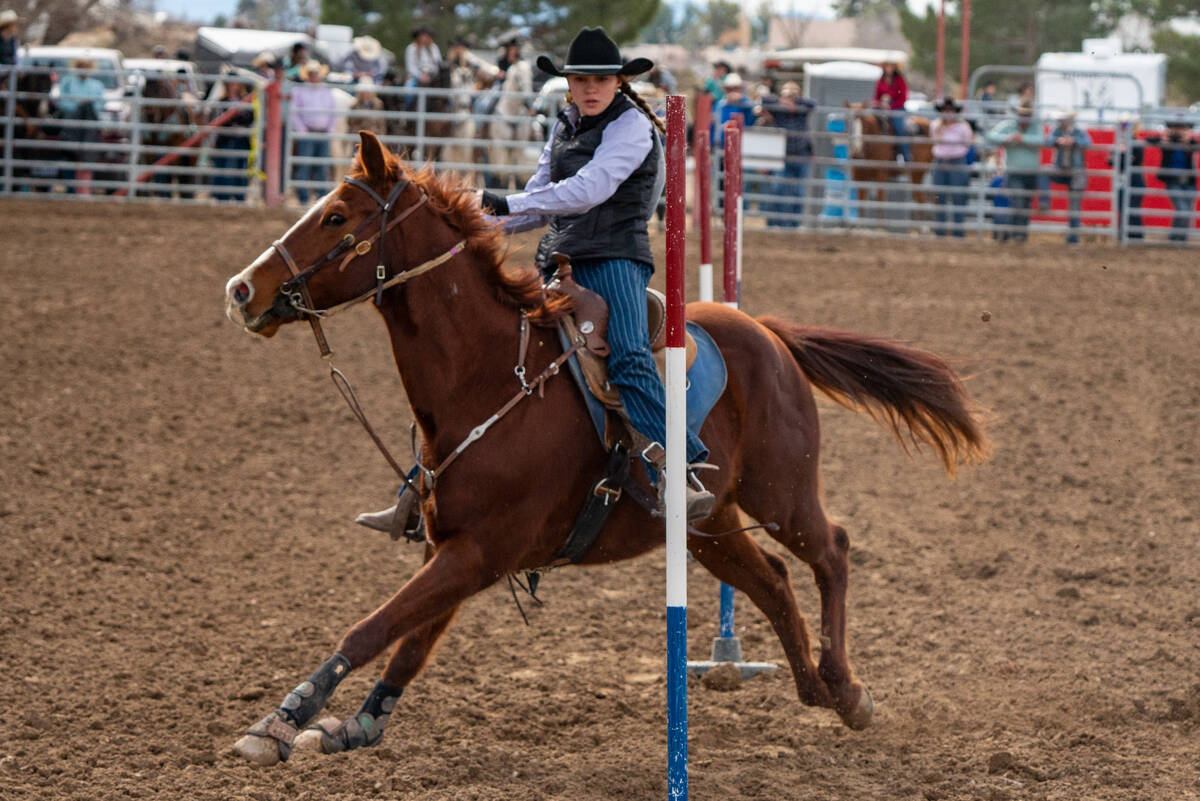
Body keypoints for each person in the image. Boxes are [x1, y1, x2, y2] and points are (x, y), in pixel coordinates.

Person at [356, 27, 715, 533]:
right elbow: (538, 198)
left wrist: (507, 203)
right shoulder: (565, 126)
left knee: (630, 352)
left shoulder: (632, 128)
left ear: (618, 83)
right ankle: (421, 488)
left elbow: (588, 190)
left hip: (614, 260)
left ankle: (678, 470)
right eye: (580, 80)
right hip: (557, 260)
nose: (590, 88)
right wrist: (468, 223)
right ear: (568, 83)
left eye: (600, 80)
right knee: (484, 351)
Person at [757, 81, 815, 228]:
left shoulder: (802, 108)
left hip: (801, 154)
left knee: (799, 192)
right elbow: (763, 100)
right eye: (787, 96)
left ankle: (793, 225)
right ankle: (776, 223)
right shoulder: (778, 109)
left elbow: (813, 103)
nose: (789, 99)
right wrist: (780, 101)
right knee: (778, 190)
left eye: (793, 96)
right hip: (782, 155)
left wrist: (795, 104)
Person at [985, 105, 1045, 242]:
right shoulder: (1009, 126)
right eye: (1022, 114)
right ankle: (1014, 232)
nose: (1024, 118)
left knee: (1025, 204)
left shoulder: (1035, 127)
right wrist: (1008, 137)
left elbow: (1041, 140)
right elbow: (991, 135)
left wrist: (1022, 138)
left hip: (1031, 173)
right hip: (1013, 172)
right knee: (1018, 202)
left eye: (1027, 115)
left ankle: (1020, 235)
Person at [288, 61, 336, 205]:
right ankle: (304, 198)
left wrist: (329, 130)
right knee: (304, 166)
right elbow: (294, 112)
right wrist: (302, 130)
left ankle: (321, 198)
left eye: (316, 73)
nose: (314, 76)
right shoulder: (300, 90)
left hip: (323, 132)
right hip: (307, 133)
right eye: (311, 73)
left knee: (322, 167)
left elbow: (334, 113)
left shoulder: (326, 91)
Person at [489, 36, 533, 190]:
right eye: (512, 46)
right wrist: (499, 74)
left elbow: (525, 82)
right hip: (503, 87)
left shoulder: (523, 63)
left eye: (516, 47)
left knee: (533, 115)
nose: (514, 49)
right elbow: (497, 73)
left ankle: (535, 132)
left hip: (518, 94)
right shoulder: (502, 60)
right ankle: (480, 128)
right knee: (487, 102)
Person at [56, 57, 106, 193]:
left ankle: (84, 189)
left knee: (88, 156)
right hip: (71, 124)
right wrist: (78, 108)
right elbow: (62, 103)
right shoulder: (68, 82)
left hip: (89, 126)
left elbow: (100, 104)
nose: (84, 69)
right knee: (69, 155)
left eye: (86, 66)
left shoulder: (96, 85)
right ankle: (71, 188)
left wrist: (85, 107)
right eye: (81, 66)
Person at [1146, 120, 1198, 243]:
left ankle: (1180, 239)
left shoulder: (1190, 143)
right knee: (1182, 209)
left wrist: (1187, 140)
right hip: (1173, 181)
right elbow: (1149, 140)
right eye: (1177, 129)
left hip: (1188, 182)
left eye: (1183, 129)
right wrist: (1166, 139)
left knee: (1187, 211)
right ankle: (1175, 238)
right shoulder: (1167, 142)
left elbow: (1196, 146)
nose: (1180, 132)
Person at [929, 97, 974, 237]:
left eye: (950, 110)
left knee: (958, 197)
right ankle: (940, 231)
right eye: (945, 110)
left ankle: (958, 232)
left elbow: (968, 143)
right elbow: (934, 141)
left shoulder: (963, 126)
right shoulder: (936, 125)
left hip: (957, 161)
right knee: (939, 197)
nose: (948, 113)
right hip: (940, 162)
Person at [1048, 108, 1091, 243]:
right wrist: (1058, 141)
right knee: (1043, 173)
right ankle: (1044, 200)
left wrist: (1074, 141)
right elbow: (1048, 140)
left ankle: (1073, 238)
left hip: (1076, 173)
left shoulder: (1078, 132)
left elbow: (1088, 142)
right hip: (1061, 170)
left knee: (1074, 206)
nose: (1060, 122)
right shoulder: (1057, 131)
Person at [211, 75, 255, 202]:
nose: (232, 86)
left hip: (242, 139)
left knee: (241, 168)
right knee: (225, 169)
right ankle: (223, 197)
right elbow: (217, 122)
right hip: (226, 139)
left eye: (234, 83)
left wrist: (236, 121)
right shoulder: (221, 101)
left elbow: (251, 119)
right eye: (230, 83)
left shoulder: (246, 101)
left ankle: (239, 196)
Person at [1108, 113, 1144, 240]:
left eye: (1127, 124)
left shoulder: (1136, 143)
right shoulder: (1119, 142)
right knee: (1121, 207)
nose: (1124, 127)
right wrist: (1122, 155)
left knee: (1133, 208)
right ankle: (1123, 234)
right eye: (1122, 124)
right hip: (1122, 179)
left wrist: (1122, 155)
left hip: (1134, 179)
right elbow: (1110, 161)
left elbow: (1135, 161)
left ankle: (1135, 236)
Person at [873, 60, 910, 162]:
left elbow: (903, 98)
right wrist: (879, 104)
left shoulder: (899, 80)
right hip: (882, 107)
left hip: (897, 107)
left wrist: (891, 107)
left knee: (899, 128)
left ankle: (905, 157)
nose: (888, 68)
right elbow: (876, 97)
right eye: (886, 66)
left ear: (894, 68)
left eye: (890, 66)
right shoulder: (881, 80)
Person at [404, 25, 441, 110]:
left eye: (426, 36)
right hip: (416, 78)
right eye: (422, 36)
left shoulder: (434, 48)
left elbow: (438, 64)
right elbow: (410, 67)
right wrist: (420, 76)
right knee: (408, 91)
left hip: (433, 77)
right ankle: (406, 113)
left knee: (447, 94)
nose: (424, 38)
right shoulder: (411, 48)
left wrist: (430, 73)